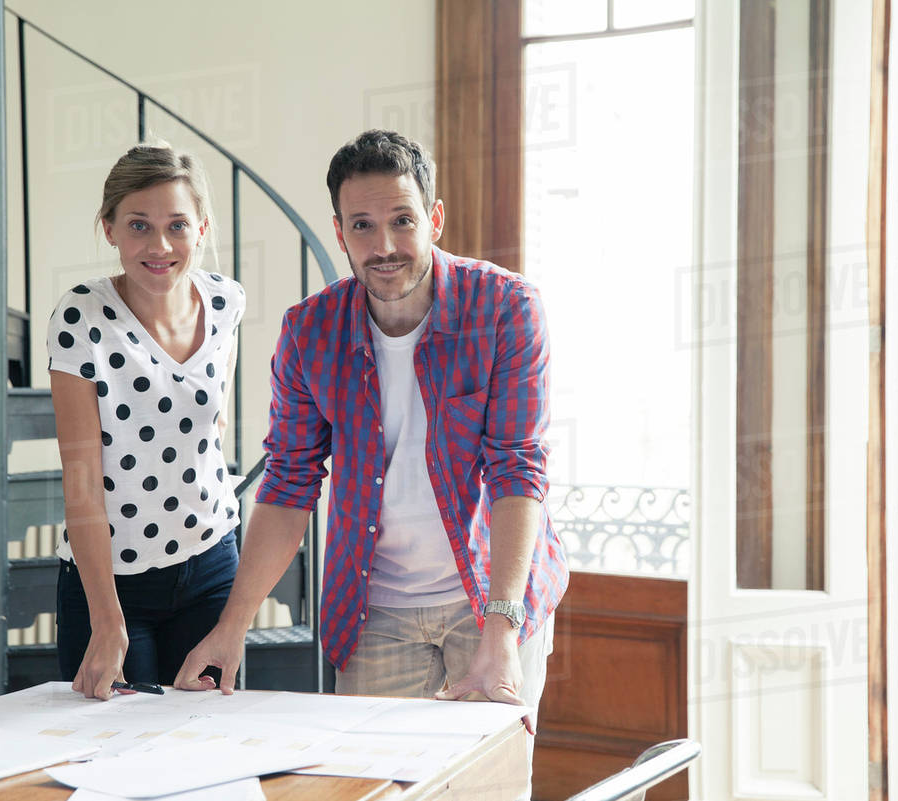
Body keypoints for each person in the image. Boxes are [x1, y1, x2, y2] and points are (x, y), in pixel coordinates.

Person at [176, 129, 568, 773]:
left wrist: (501, 627)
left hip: (490, 599)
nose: (383, 245)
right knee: (375, 789)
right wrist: (233, 625)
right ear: (339, 232)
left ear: (434, 219)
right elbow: (288, 485)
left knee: (485, 790)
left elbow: (517, 470)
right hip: (376, 609)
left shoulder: (505, 308)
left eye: (402, 220)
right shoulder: (310, 331)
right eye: (362, 225)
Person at [47, 141, 245, 701]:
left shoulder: (227, 302)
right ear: (108, 229)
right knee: (110, 763)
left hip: (212, 567)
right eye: (138, 225)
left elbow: (214, 426)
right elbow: (82, 484)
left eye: (177, 225)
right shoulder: (81, 317)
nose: (159, 245)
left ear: (201, 229)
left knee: (206, 756)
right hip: (114, 589)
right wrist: (107, 621)